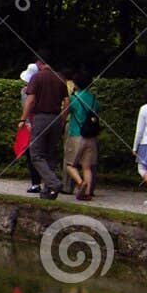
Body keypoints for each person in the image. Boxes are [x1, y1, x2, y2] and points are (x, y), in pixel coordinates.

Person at [21, 51, 66, 199]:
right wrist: (62, 119)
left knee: (36, 154)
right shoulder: (60, 78)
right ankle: (47, 191)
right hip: (56, 117)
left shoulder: (37, 77)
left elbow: (30, 100)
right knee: (50, 154)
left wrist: (23, 118)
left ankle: (53, 183)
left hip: (41, 117)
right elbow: (67, 102)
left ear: (40, 63)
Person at [63, 67, 99, 200]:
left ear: (76, 83)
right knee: (87, 167)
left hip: (76, 134)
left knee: (70, 164)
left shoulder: (74, 99)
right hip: (91, 136)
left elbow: (65, 113)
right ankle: (88, 192)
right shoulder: (94, 100)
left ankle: (80, 182)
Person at [18, 63, 41, 193]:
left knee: (32, 154)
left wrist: (24, 121)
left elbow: (26, 108)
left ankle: (36, 183)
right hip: (41, 122)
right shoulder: (43, 90)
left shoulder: (25, 91)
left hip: (31, 124)